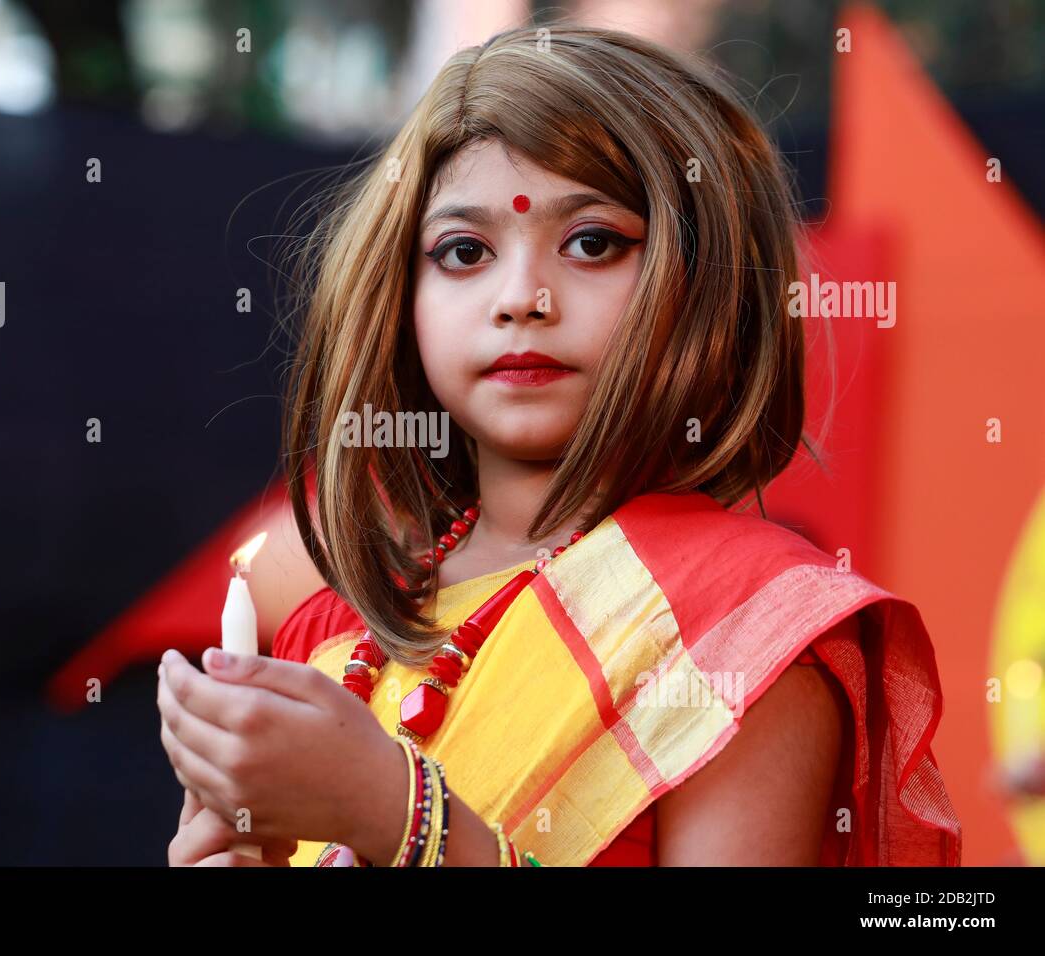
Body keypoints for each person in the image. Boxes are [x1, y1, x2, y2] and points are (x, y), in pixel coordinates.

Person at [157, 22, 961, 867]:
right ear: (399, 296)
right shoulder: (337, 630)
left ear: (712, 289)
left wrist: (404, 818)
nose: (521, 298)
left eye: (592, 243)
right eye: (464, 252)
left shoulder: (742, 627)